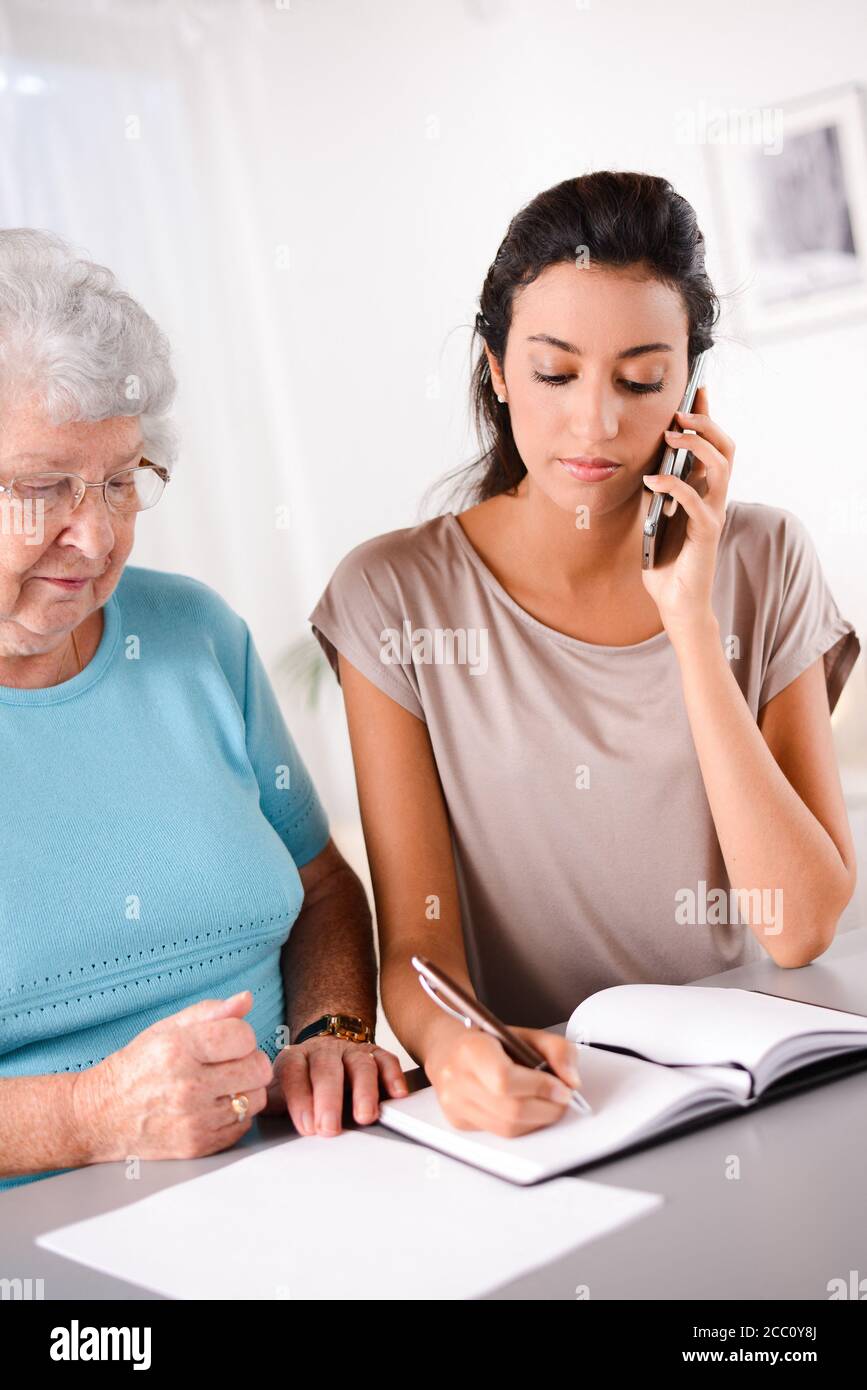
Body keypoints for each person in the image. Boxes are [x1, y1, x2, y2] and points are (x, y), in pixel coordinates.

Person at [309, 170, 861, 1140]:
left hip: (757, 1091)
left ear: (690, 389)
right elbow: (418, 950)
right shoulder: (392, 595)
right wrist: (455, 1050)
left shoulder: (767, 559)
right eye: (556, 373)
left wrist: (690, 617)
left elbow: (800, 922)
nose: (597, 422)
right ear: (495, 368)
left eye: (642, 379)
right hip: (560, 1107)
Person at [0, 229, 406, 1192]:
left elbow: (319, 888)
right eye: (44, 487)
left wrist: (331, 1031)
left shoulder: (193, 636)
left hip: (303, 1169)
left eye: (118, 482)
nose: (94, 535)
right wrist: (89, 1116)